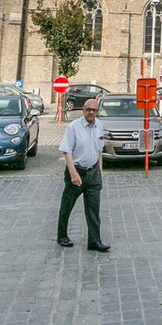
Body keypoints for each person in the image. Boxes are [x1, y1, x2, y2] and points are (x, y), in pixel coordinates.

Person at [57, 97, 109, 252]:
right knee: (67, 205)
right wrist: (73, 174)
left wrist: (100, 169)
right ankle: (62, 236)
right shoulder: (73, 127)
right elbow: (67, 151)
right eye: (88, 110)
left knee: (94, 209)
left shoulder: (99, 125)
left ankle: (94, 241)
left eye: (94, 110)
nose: (91, 112)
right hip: (77, 172)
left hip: (93, 172)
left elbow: (100, 148)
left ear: (97, 111)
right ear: (83, 110)